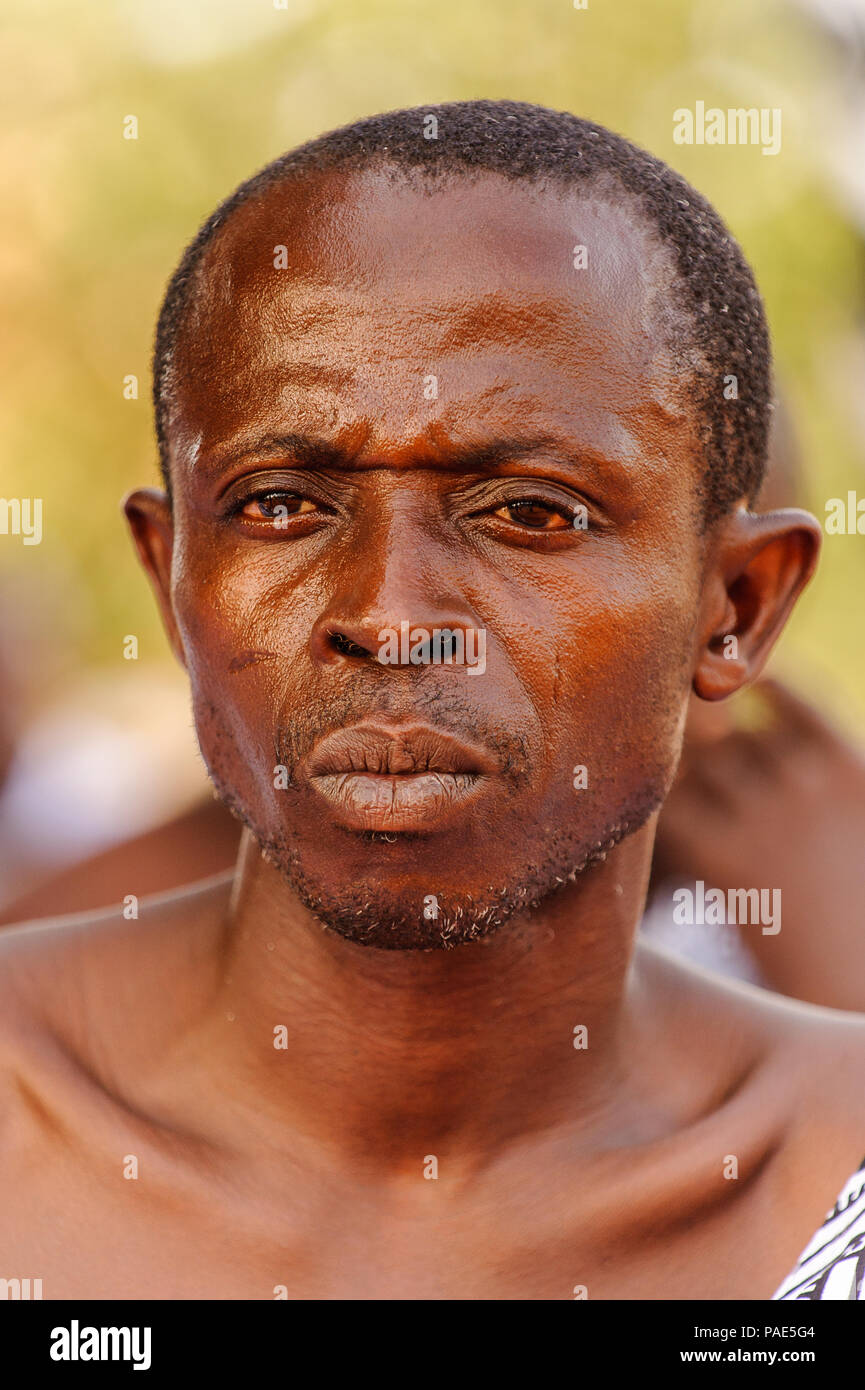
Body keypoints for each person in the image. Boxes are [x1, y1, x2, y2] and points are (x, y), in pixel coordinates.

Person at [1, 100, 864, 1300]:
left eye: (529, 510)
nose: (392, 613)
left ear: (737, 605)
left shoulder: (830, 1183)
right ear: (170, 576)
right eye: (281, 504)